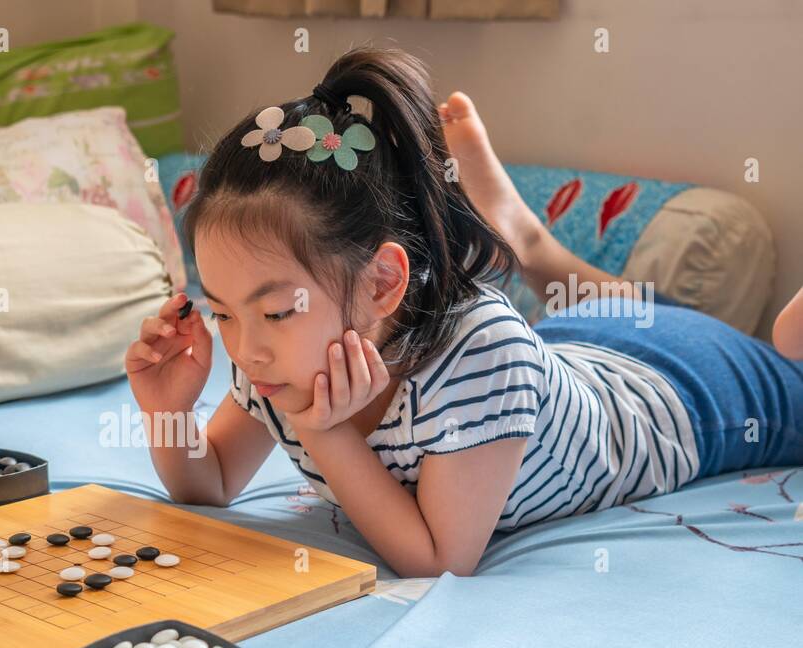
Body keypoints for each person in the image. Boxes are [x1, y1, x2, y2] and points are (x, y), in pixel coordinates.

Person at [124, 46, 803, 581]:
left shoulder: (481, 354)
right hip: (566, 346)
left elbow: (442, 557)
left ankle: (523, 236)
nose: (244, 347)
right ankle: (523, 238)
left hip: (686, 393)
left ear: (383, 283)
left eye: (273, 312)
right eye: (221, 312)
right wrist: (168, 414)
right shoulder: (279, 354)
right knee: (596, 311)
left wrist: (326, 433)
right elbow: (208, 481)